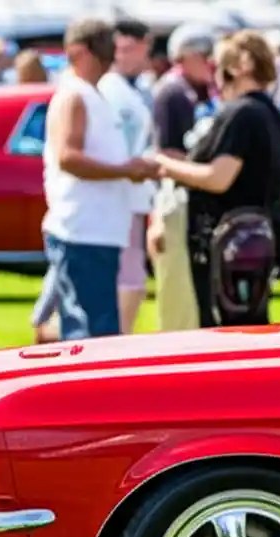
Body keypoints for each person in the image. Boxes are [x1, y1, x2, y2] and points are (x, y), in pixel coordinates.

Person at [154, 30, 280, 327]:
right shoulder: (269, 112)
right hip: (255, 240)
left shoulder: (241, 113)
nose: (212, 74)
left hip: (230, 246)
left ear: (236, 68)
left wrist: (165, 166)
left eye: (216, 65)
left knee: (224, 333)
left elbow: (219, 178)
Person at [42, 18, 157, 341]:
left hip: (99, 232)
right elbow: (68, 157)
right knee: (88, 332)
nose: (111, 55)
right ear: (80, 51)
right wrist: (126, 170)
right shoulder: (74, 96)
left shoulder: (94, 94)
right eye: (104, 47)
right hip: (82, 231)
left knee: (99, 329)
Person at [99, 18, 155, 334]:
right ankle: (115, 344)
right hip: (118, 197)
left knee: (132, 280)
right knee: (129, 281)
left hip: (130, 196)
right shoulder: (110, 89)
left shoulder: (131, 89)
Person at [152, 23, 215, 157]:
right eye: (204, 56)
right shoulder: (171, 92)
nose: (209, 62)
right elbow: (166, 150)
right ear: (184, 57)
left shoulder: (205, 89)